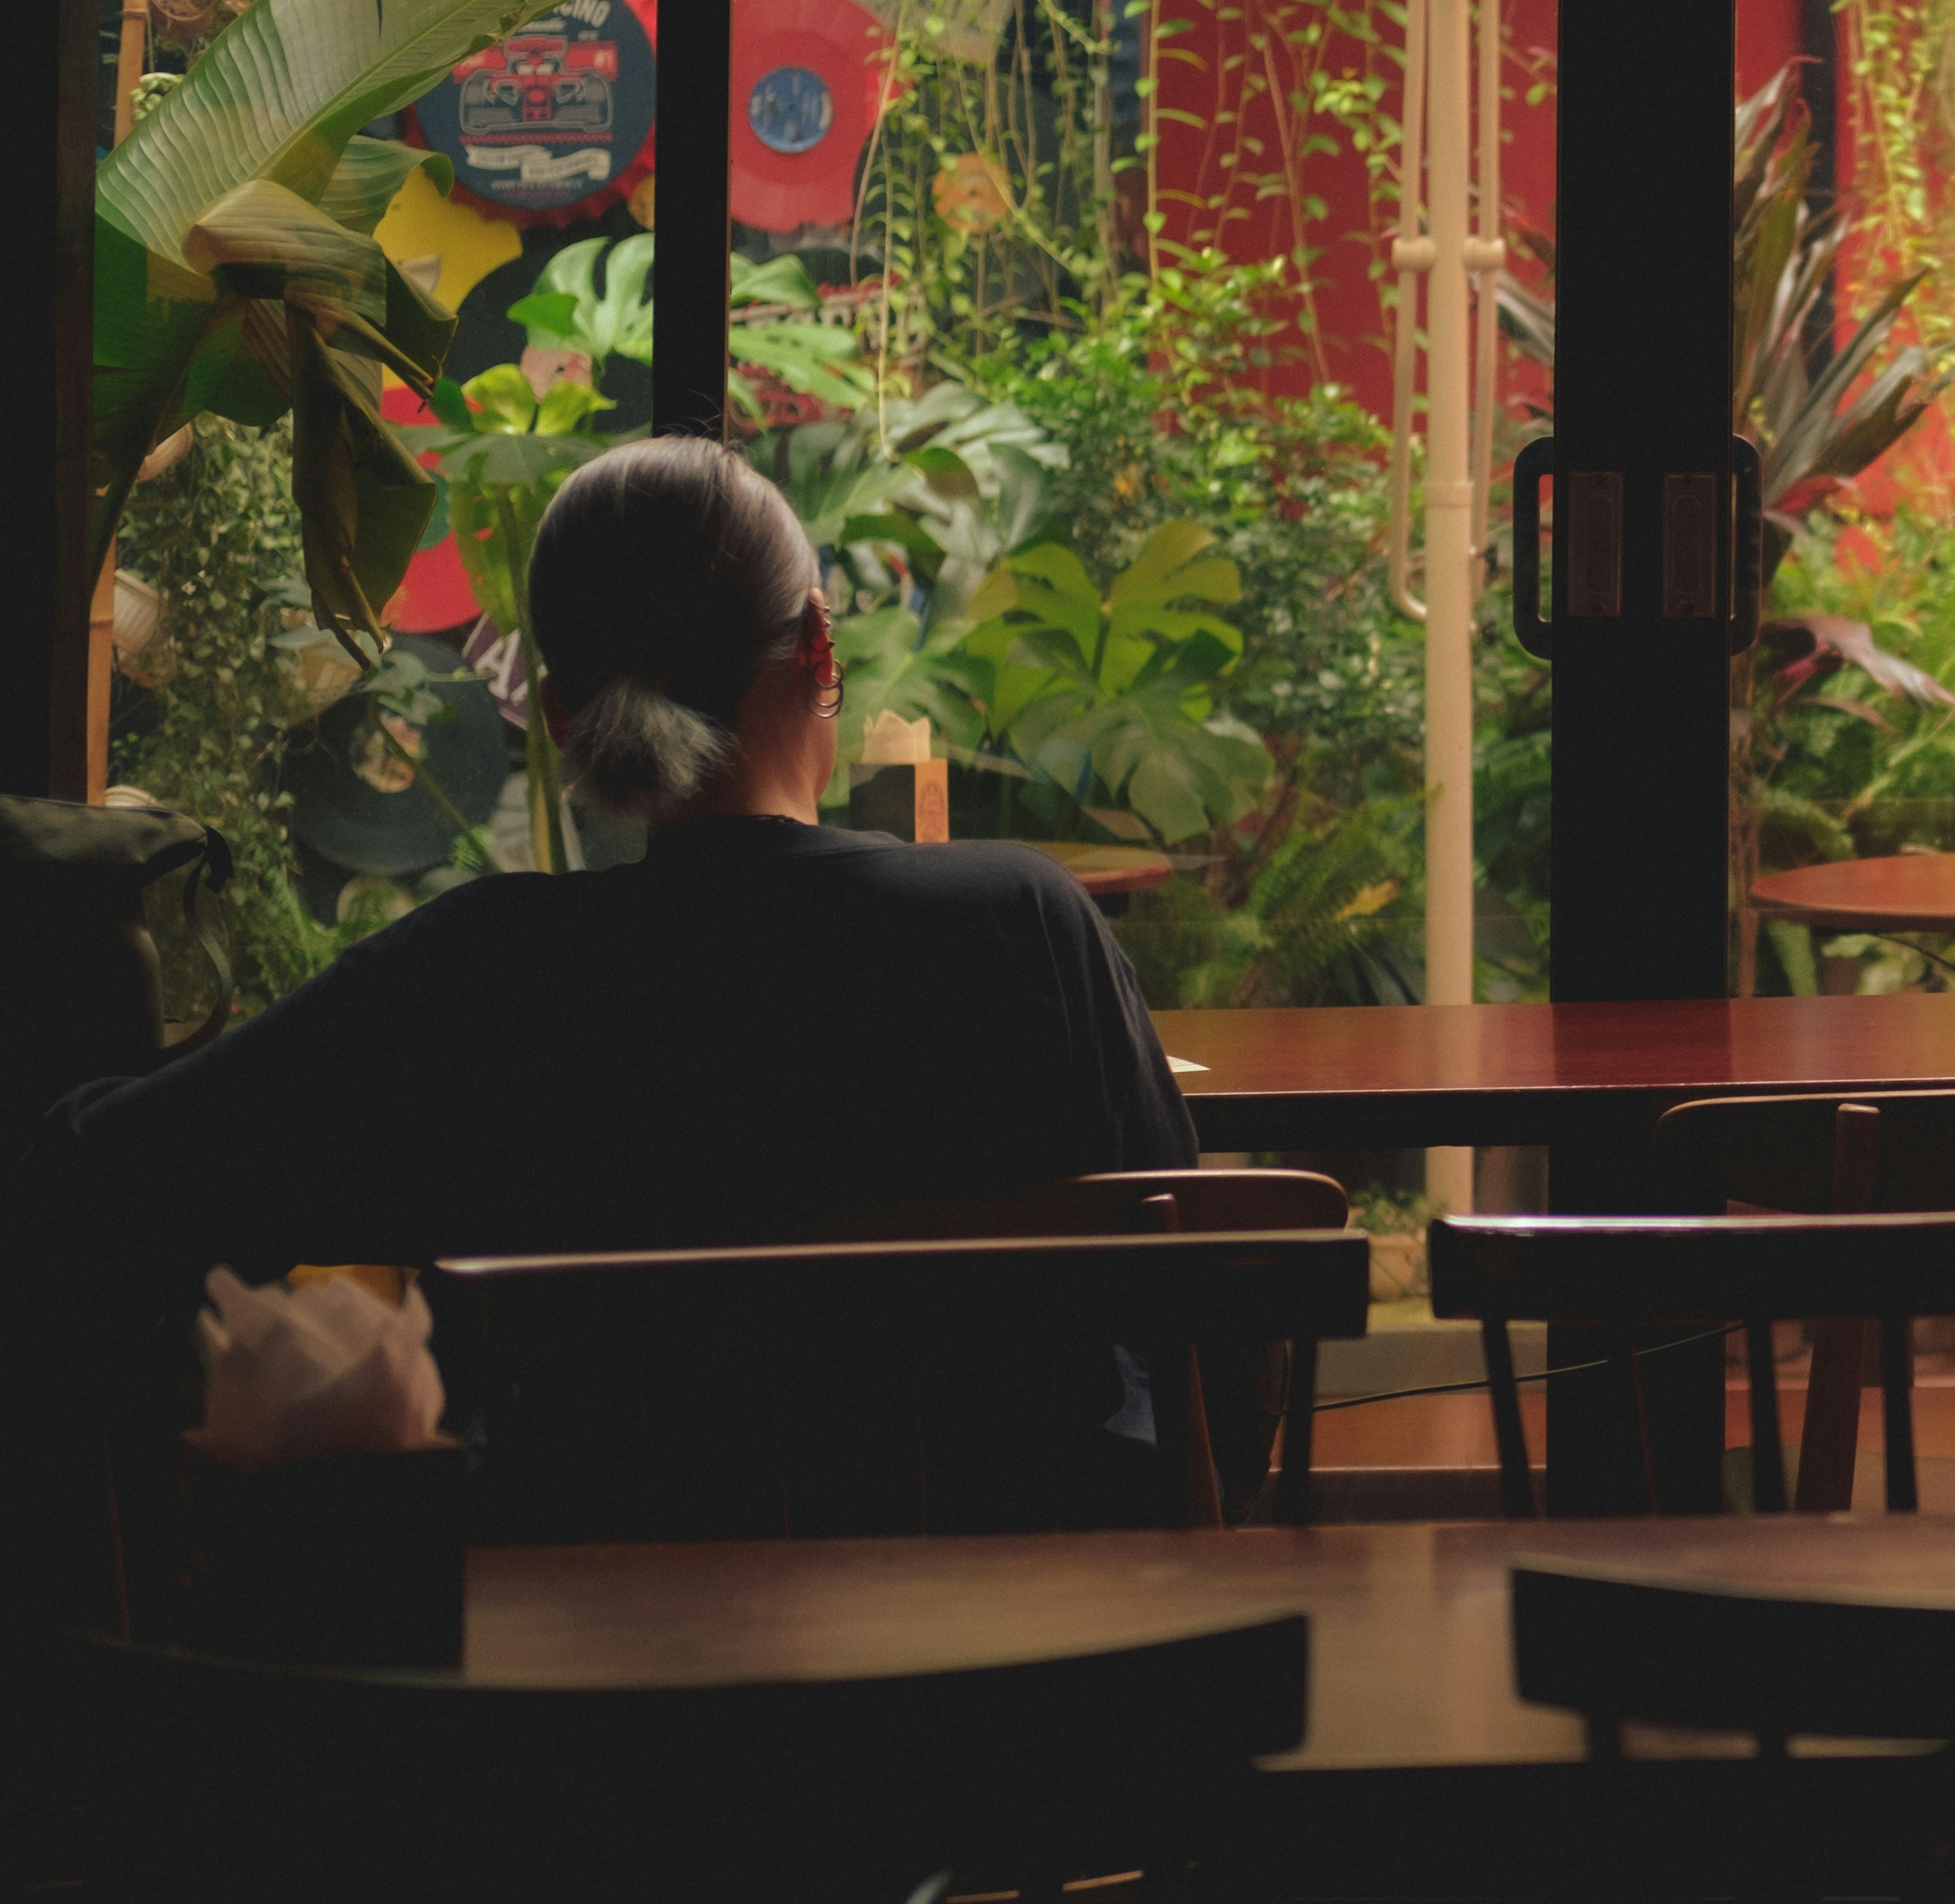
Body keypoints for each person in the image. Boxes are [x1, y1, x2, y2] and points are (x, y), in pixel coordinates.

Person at [15, 437, 1202, 1528]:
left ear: (565, 708)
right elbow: (1192, 1278)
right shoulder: (1020, 921)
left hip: (587, 1657)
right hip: (1014, 1647)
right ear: (821, 650)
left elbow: (107, 1177)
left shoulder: (479, 969)